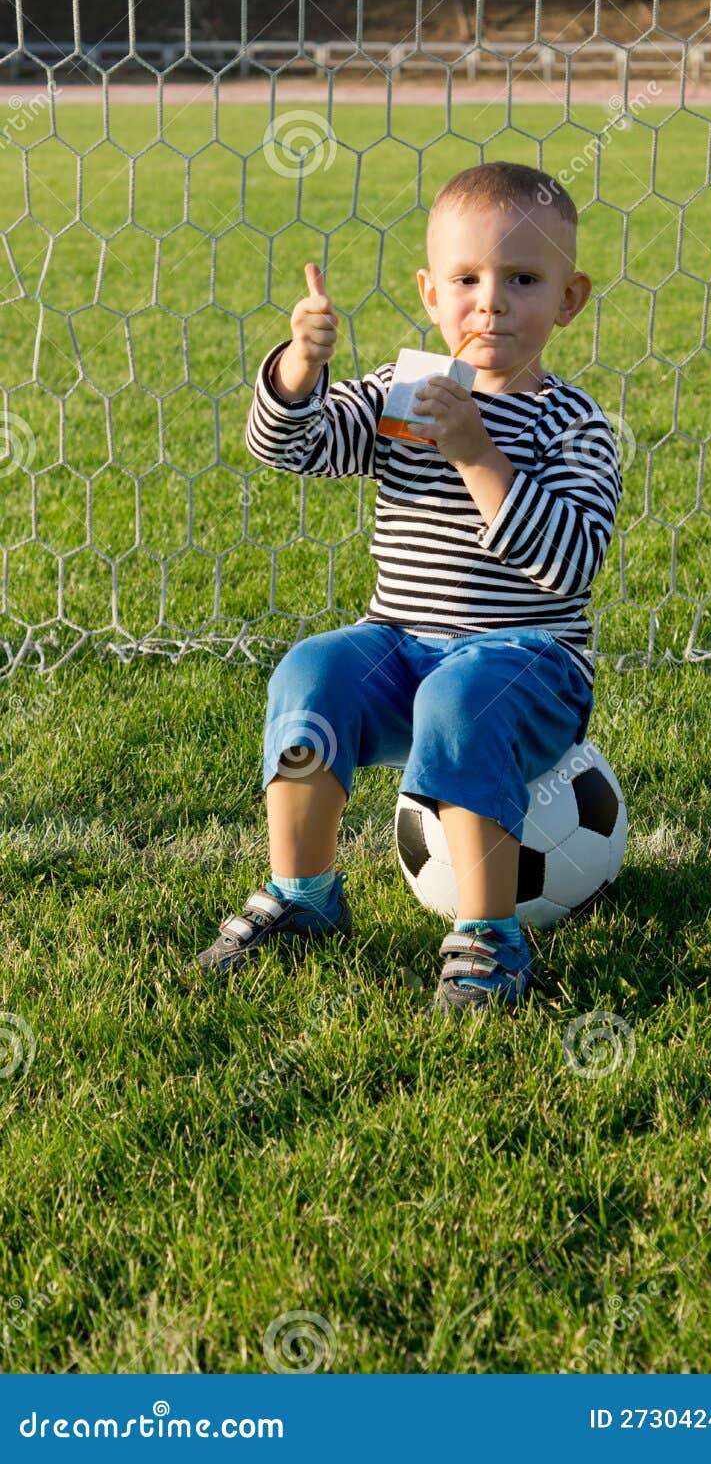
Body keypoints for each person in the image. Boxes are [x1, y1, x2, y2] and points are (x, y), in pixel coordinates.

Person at [197, 161, 623, 1014]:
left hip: (530, 663)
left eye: (524, 280)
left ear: (570, 298)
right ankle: (304, 892)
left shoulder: (574, 423)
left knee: (463, 697)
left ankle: (491, 941)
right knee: (311, 671)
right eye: (467, 279)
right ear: (431, 293)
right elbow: (293, 447)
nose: (491, 301)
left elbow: (570, 563)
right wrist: (298, 369)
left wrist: (476, 453)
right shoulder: (408, 395)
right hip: (400, 643)